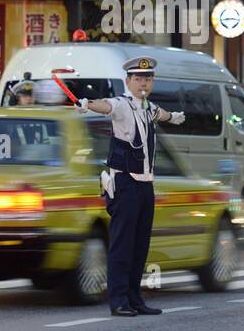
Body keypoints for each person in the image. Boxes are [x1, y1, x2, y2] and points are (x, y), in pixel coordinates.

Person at [75, 56, 185, 317]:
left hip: (146, 184)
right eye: (138, 79)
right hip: (125, 182)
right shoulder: (123, 105)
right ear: (128, 81)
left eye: (147, 78)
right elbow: (106, 106)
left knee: (140, 245)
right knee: (122, 244)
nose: (143, 83)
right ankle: (119, 300)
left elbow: (163, 114)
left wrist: (175, 117)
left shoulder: (148, 107)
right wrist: (87, 104)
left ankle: (135, 298)